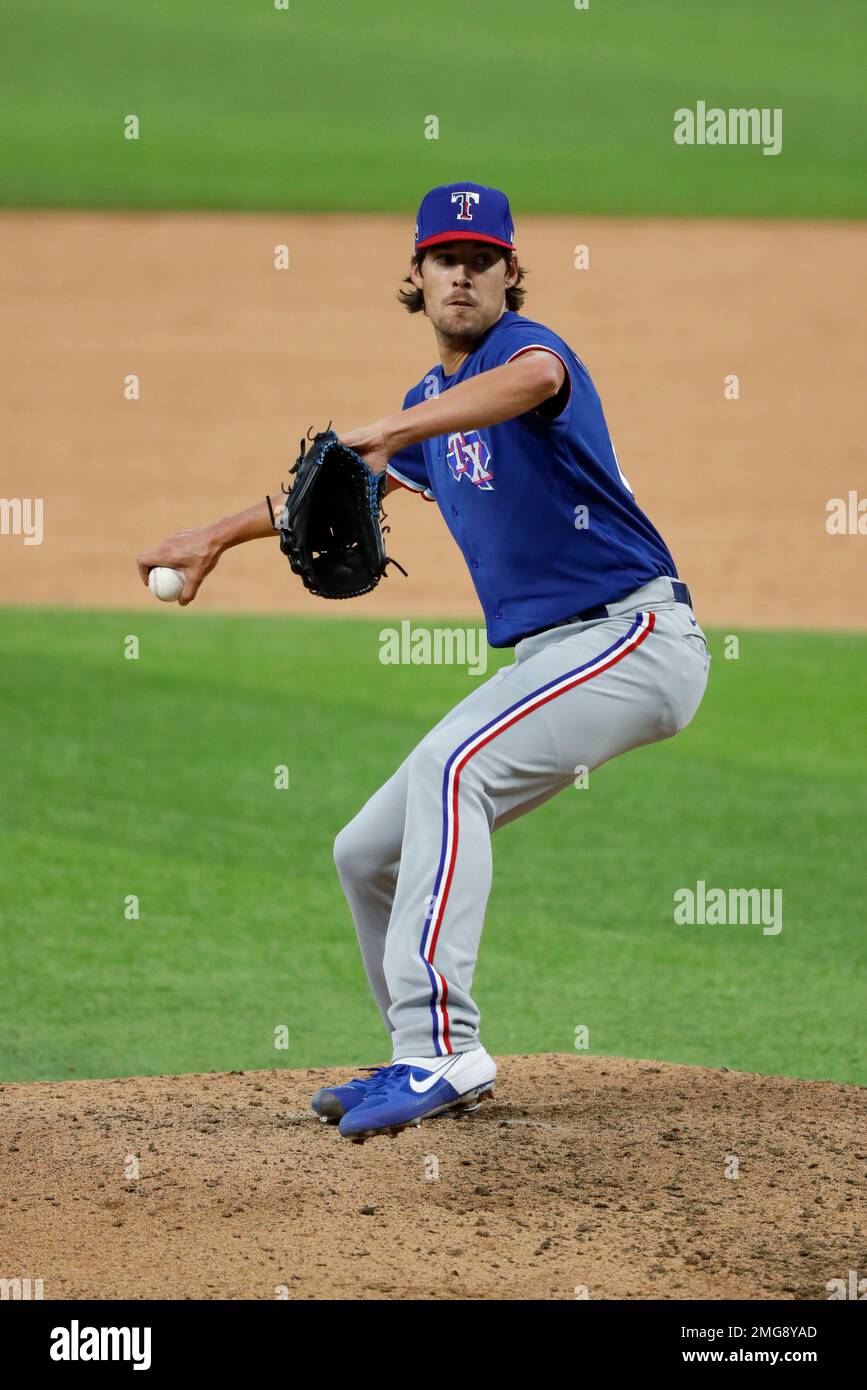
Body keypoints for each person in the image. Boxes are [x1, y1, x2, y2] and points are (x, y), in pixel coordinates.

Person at [137, 181, 710, 1143]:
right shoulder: (425, 407)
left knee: (457, 771)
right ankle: (414, 1055)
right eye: (445, 258)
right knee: (365, 850)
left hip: (636, 639)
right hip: (552, 655)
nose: (462, 274)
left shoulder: (529, 359)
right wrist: (216, 535)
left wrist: (394, 431)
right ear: (416, 273)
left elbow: (527, 386)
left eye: (482, 260)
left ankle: (443, 1043)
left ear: (510, 274)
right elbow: (332, 487)